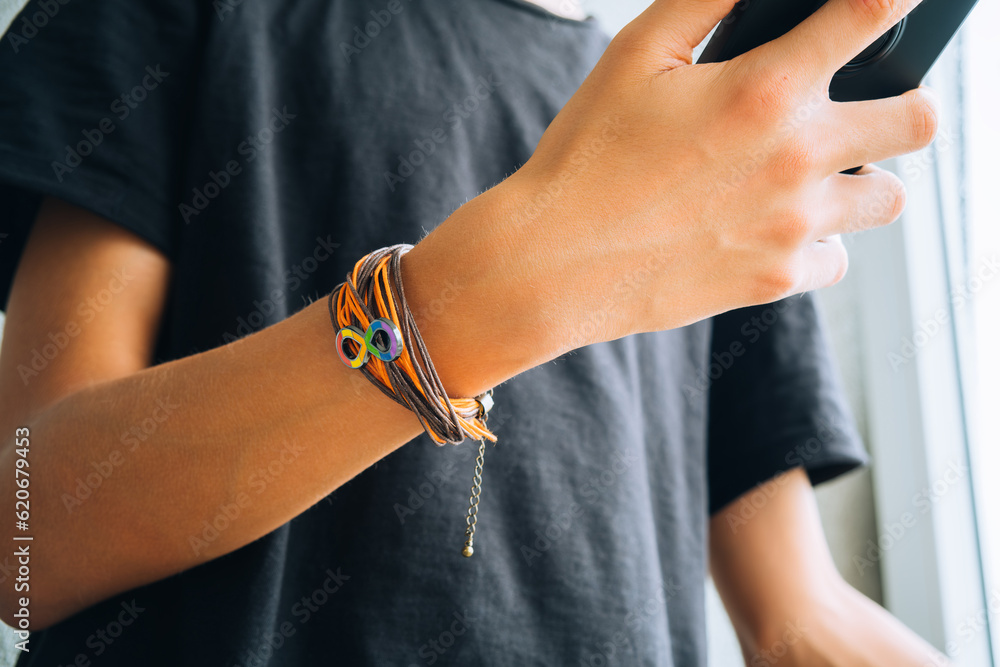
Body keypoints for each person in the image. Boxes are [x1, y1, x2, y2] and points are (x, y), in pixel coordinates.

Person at [0, 0, 948, 664]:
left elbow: (798, 620)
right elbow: (28, 535)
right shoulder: (173, 13)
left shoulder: (718, 142)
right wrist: (485, 295)